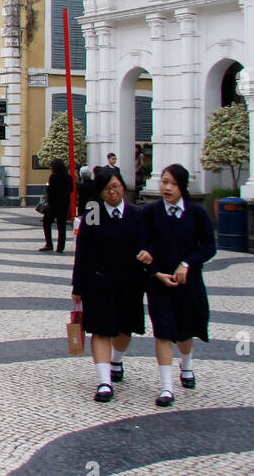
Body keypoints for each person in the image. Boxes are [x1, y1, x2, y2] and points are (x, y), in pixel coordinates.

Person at [137, 164, 217, 408]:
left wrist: (187, 264)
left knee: (185, 330)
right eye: (163, 182)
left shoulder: (196, 213)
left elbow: (208, 247)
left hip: (187, 283)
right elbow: (144, 244)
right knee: (162, 331)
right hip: (159, 282)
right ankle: (166, 387)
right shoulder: (150, 212)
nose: (167, 188)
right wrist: (154, 269)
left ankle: (187, 364)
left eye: (172, 183)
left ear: (182, 187)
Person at [71, 167, 146, 402]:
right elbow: (82, 251)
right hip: (99, 281)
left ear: (122, 186)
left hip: (129, 282)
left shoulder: (136, 214)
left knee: (125, 329)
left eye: (115, 186)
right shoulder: (93, 213)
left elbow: (146, 244)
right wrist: (78, 286)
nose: (112, 192)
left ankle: (117, 360)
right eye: (106, 189)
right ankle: (104, 381)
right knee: (101, 330)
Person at [40, 159, 74, 252]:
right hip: (64, 204)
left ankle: (49, 243)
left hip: (53, 204)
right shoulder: (68, 177)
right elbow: (71, 189)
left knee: (46, 223)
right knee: (61, 226)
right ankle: (60, 247)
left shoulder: (53, 177)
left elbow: (50, 190)